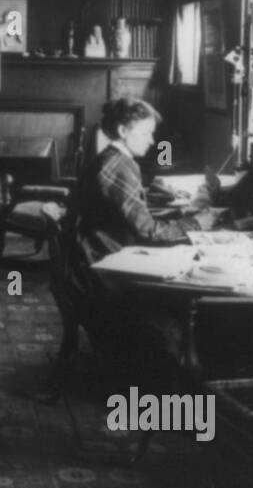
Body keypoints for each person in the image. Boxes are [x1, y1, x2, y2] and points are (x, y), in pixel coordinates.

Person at [62, 98, 215, 393]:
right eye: (145, 133)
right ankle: (171, 387)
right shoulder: (119, 166)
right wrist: (196, 224)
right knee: (178, 307)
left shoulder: (113, 158)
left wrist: (181, 216)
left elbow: (136, 217)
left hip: (98, 255)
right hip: (100, 268)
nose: (152, 140)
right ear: (122, 130)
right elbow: (149, 231)